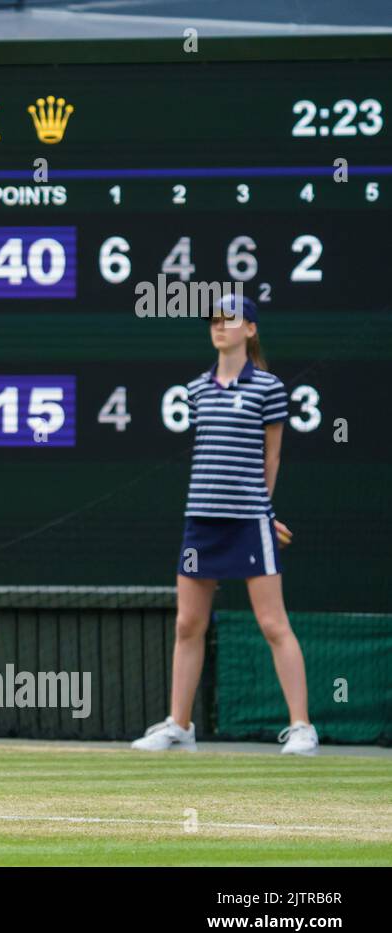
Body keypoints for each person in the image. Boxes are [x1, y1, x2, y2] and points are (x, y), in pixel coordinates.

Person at [133, 294, 318, 756]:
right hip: (200, 520)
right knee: (188, 624)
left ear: (250, 330)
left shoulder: (269, 388)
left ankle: (301, 727)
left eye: (229, 319)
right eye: (214, 320)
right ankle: (180, 724)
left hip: (249, 520)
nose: (219, 326)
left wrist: (265, 512)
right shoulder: (196, 388)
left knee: (273, 623)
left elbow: (271, 457)